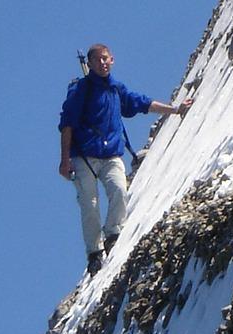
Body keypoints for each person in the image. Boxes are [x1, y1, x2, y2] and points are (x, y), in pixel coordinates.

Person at [58, 44, 192, 274]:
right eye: (97, 60)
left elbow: (142, 103)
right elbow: (67, 124)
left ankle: (112, 233)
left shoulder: (115, 89)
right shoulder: (81, 90)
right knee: (90, 204)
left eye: (105, 59)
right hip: (84, 156)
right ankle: (94, 252)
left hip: (111, 155)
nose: (102, 63)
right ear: (90, 64)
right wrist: (65, 159)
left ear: (112, 60)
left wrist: (175, 109)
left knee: (120, 191)